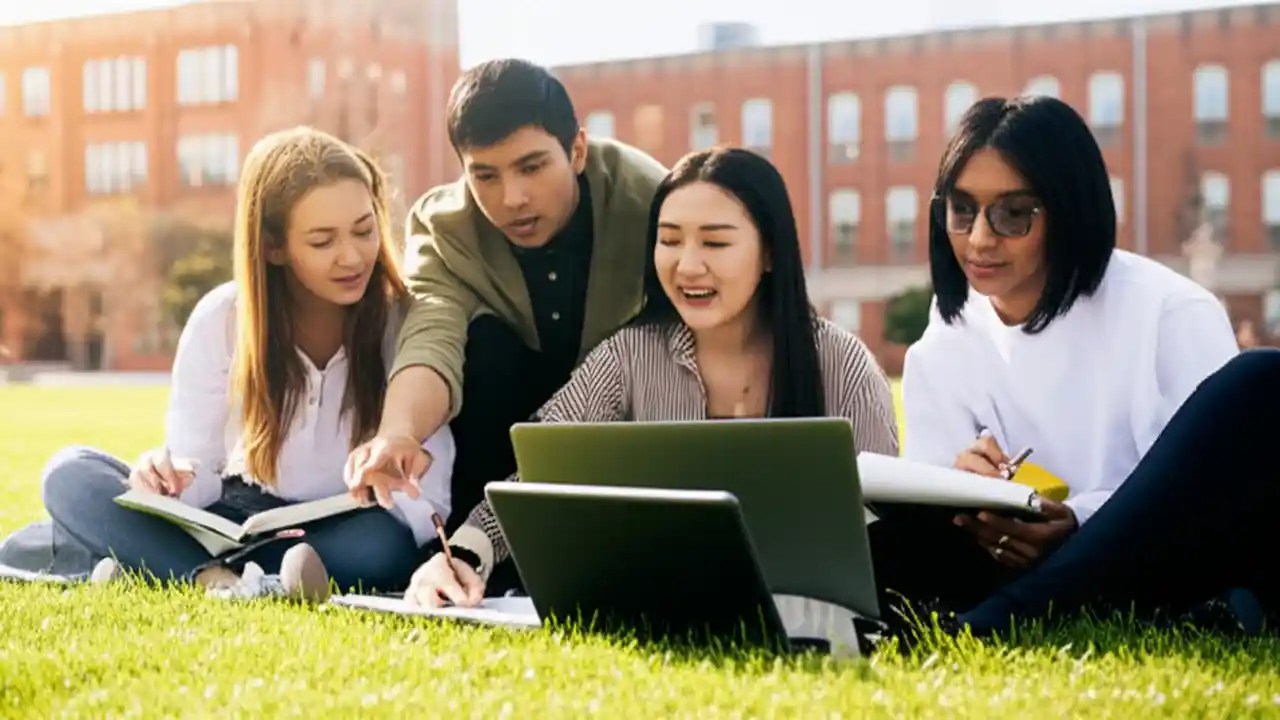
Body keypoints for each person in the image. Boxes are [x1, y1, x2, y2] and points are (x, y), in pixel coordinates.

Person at [402, 146, 901, 608]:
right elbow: (537, 474)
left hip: (815, 612)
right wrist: (463, 556)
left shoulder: (840, 363)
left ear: (770, 253)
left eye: (715, 242)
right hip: (661, 603)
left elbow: (888, 519)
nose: (687, 266)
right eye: (669, 241)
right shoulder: (629, 357)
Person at [884, 95, 1257, 631]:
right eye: (961, 210)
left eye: (1014, 214)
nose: (980, 238)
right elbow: (928, 518)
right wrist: (967, 496)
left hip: (1158, 569)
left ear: (1068, 210)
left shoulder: (1169, 314)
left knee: (1260, 377)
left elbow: (1201, 502)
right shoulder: (945, 337)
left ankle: (990, 623)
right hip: (998, 570)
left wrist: (1076, 521)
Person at [34, 127, 454, 599]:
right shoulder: (222, 318)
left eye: (364, 229)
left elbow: (427, 501)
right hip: (237, 517)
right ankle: (219, 579)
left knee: (384, 548)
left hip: (345, 529)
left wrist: (400, 502)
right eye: (322, 241)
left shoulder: (404, 322)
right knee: (68, 473)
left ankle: (154, 562)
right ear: (274, 247)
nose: (352, 256)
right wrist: (169, 477)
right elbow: (199, 468)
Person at [343, 59, 668, 559]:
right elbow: (432, 333)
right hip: (502, 420)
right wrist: (399, 431)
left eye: (532, 167)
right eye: (485, 175)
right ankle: (480, 557)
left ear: (577, 150)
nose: (512, 198)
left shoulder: (653, 199)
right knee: (485, 345)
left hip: (624, 422)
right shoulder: (443, 227)